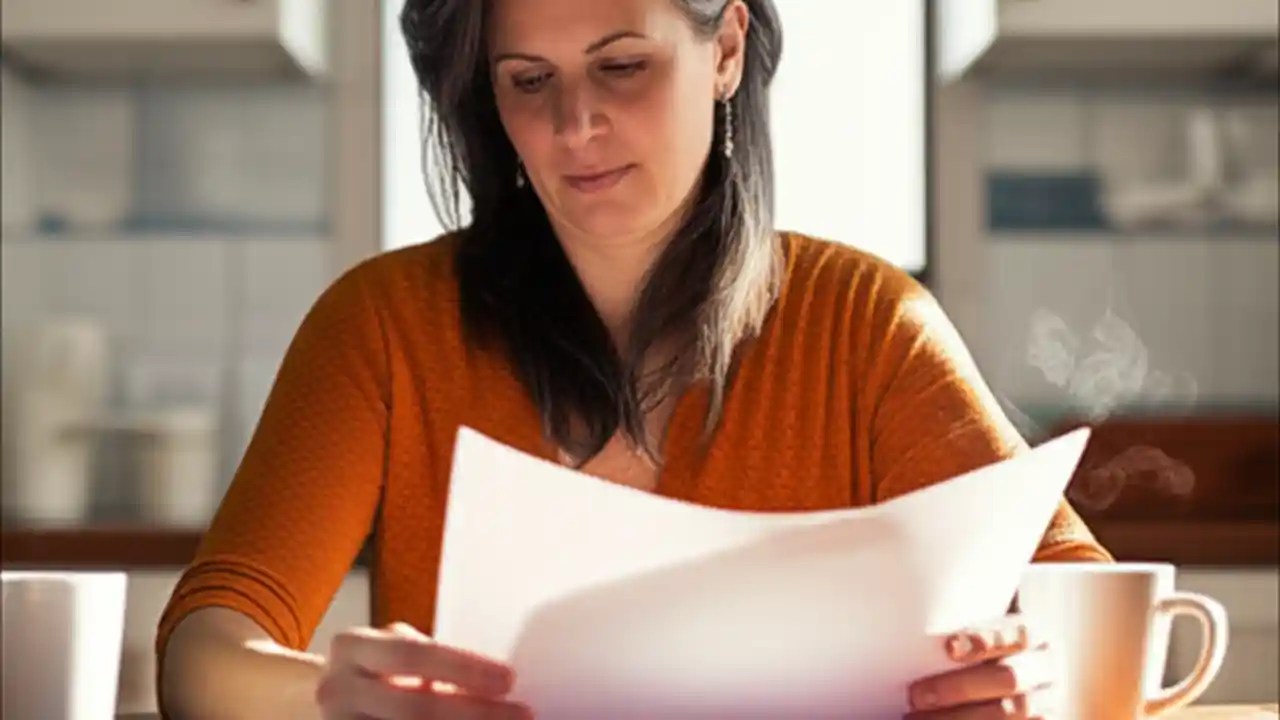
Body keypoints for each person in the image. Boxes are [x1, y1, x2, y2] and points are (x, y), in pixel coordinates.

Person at [157, 0, 1112, 717]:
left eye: (621, 66)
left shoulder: (867, 323)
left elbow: (1087, 615)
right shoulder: (385, 324)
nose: (575, 125)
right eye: (529, 81)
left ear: (726, 50)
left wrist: (1038, 674)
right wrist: (330, 693)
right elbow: (203, 651)